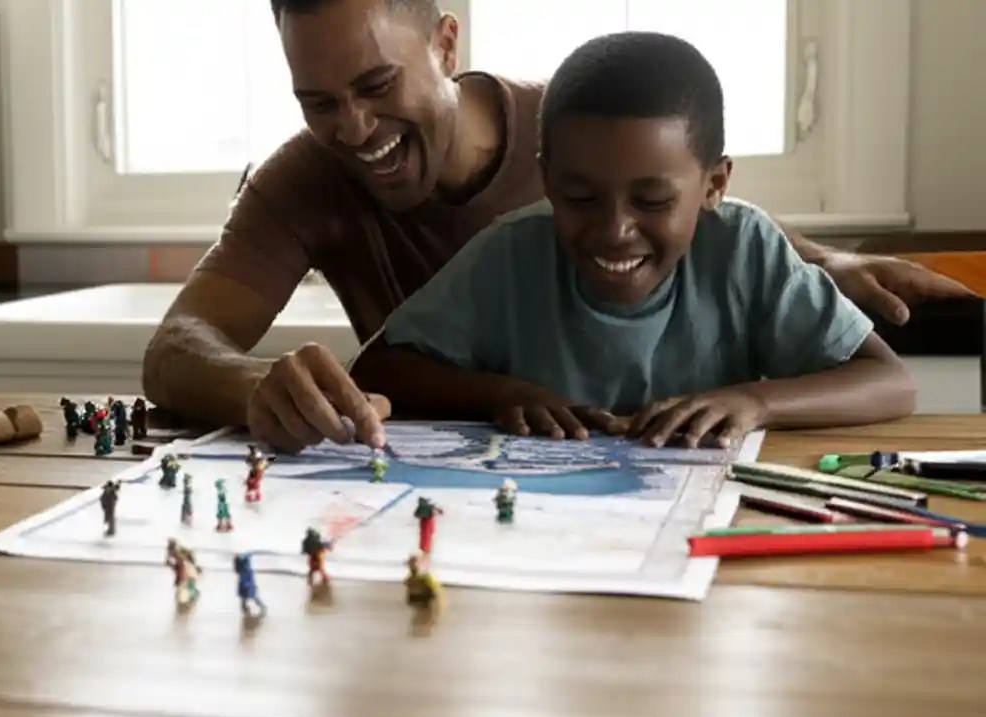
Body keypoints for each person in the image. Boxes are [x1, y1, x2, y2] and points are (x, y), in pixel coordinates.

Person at [142, 0, 969, 453]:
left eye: (377, 83)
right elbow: (179, 348)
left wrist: (824, 266)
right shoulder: (307, 182)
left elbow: (695, 216)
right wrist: (263, 389)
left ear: (444, 42)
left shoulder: (574, 121)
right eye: (318, 102)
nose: (353, 129)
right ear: (553, 177)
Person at [350, 32, 917, 448]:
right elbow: (375, 370)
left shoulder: (744, 251)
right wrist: (500, 394)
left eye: (652, 201)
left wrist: (754, 402)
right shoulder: (510, 255)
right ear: (546, 179)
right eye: (579, 196)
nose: (614, 230)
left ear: (714, 184)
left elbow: (890, 381)